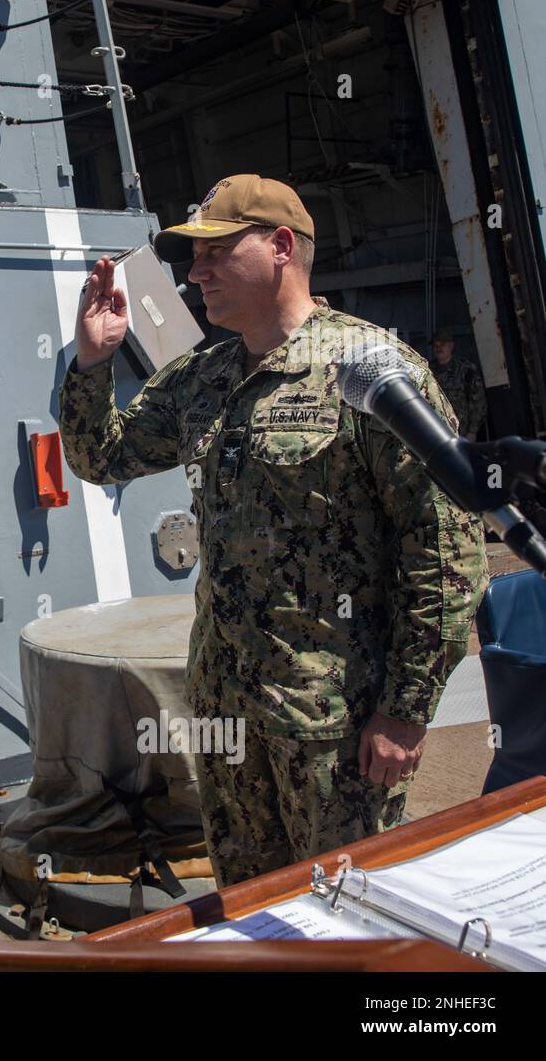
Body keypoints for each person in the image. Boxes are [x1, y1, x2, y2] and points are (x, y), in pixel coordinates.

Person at [60, 174, 488, 886]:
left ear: (281, 246)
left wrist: (407, 712)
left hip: (333, 728)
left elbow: (445, 552)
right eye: (192, 258)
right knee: (254, 911)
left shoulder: (370, 370)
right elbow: (102, 457)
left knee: (351, 911)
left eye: (215, 253)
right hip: (226, 717)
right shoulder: (203, 377)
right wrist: (94, 362)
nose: (195, 273)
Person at [430, 331, 488, 438]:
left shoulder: (466, 370)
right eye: (435, 345)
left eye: (442, 345)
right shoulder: (427, 370)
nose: (438, 348)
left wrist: (472, 431)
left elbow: (479, 402)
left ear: (451, 346)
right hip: (435, 431)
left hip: (461, 433)